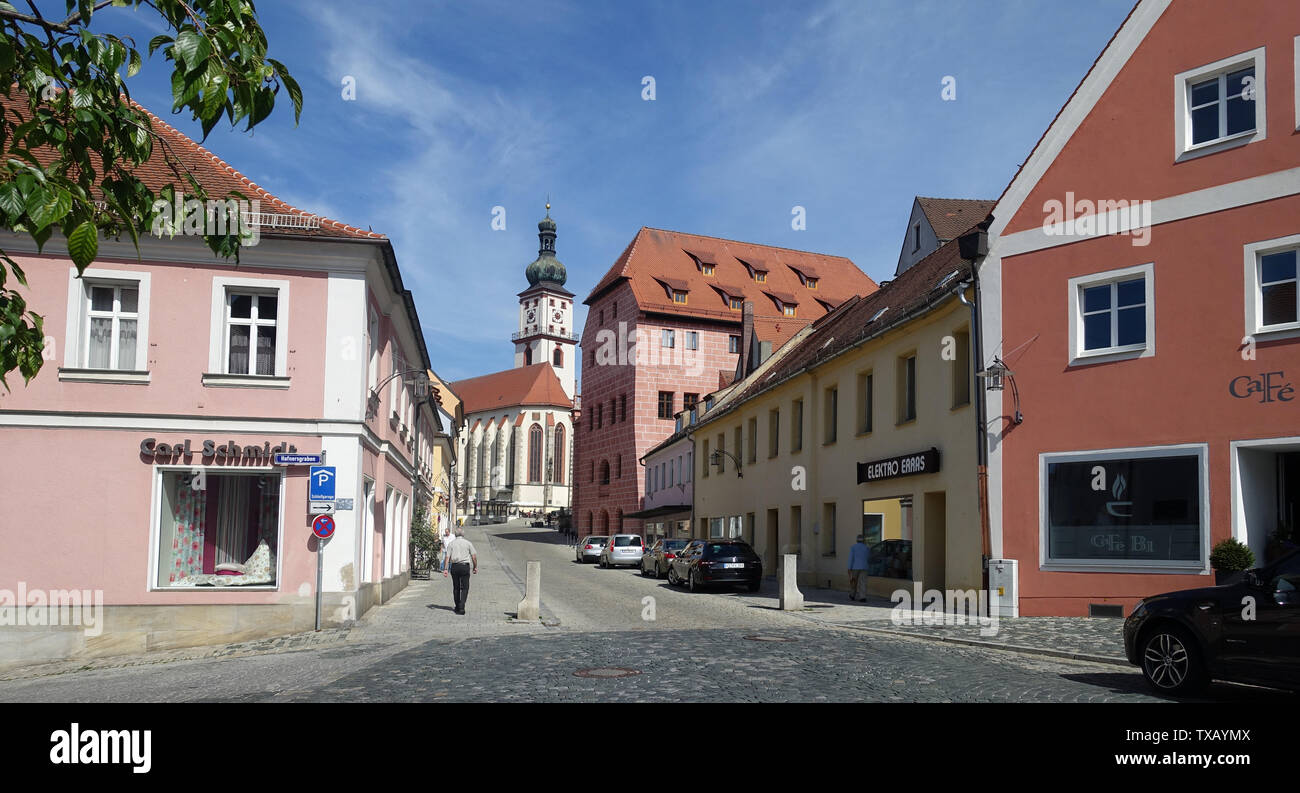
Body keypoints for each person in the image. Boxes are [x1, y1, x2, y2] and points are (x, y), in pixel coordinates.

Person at [443, 527, 478, 615]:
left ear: (455, 535)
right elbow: (474, 557)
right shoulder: (468, 543)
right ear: (463, 534)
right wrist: (475, 567)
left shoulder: (451, 544)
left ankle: (457, 606)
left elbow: (447, 557)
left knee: (456, 587)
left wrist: (445, 569)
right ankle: (462, 606)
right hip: (465, 567)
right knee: (465, 587)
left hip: (454, 567)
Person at [848, 535, 870, 601]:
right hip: (864, 567)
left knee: (854, 581)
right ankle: (862, 597)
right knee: (863, 582)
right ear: (863, 540)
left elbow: (851, 558)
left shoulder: (853, 547)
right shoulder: (866, 548)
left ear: (857, 540)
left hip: (855, 567)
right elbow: (868, 557)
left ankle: (852, 595)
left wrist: (849, 567)